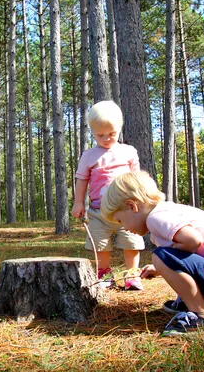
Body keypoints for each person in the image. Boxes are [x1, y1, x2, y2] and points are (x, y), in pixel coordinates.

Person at [101, 171, 204, 336]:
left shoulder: (156, 218)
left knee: (161, 255)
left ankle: (202, 316)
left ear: (132, 206)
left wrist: (162, 263)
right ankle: (193, 303)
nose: (124, 228)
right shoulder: (167, 211)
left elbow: (193, 240)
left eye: (121, 220)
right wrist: (162, 266)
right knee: (164, 256)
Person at [71, 101, 144, 290]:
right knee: (100, 245)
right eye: (100, 135)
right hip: (98, 212)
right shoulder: (89, 155)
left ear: (119, 128)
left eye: (111, 134)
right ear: (92, 132)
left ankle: (132, 275)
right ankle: (104, 273)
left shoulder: (128, 151)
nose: (106, 139)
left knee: (131, 242)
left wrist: (141, 200)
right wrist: (78, 203)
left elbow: (137, 178)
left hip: (127, 211)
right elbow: (81, 180)